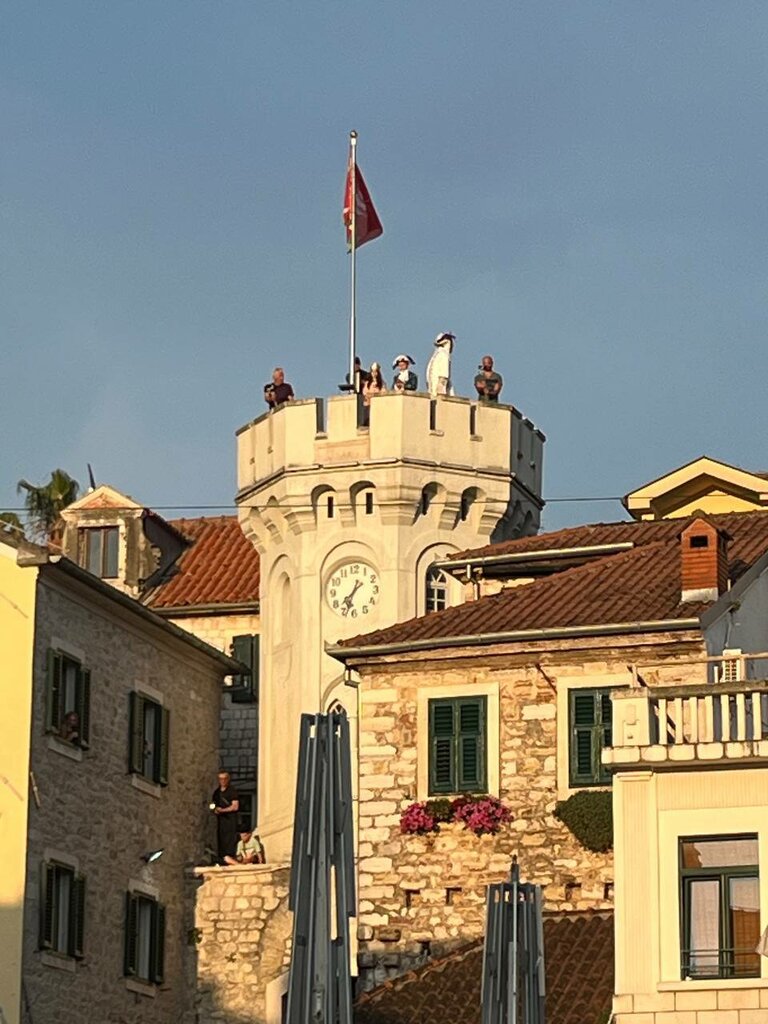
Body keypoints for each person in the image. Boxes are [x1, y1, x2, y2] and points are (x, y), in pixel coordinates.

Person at [210, 771, 240, 865]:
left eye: (224, 779)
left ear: (228, 779)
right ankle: (223, 859)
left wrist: (223, 810)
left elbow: (235, 806)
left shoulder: (232, 791)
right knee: (221, 839)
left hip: (230, 820)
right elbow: (213, 805)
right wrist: (214, 810)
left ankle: (230, 858)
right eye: (220, 779)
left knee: (230, 839)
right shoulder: (216, 793)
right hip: (221, 821)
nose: (222, 781)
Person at [426, 332, 455, 397]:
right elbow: (443, 376)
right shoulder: (443, 354)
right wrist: (441, 392)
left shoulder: (437, 354)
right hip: (437, 393)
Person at [361, 362, 387, 427]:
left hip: (377, 403)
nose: (374, 374)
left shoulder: (381, 383)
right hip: (368, 403)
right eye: (372, 372)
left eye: (375, 372)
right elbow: (365, 392)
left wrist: (375, 394)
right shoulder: (368, 383)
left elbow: (383, 392)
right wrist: (369, 395)